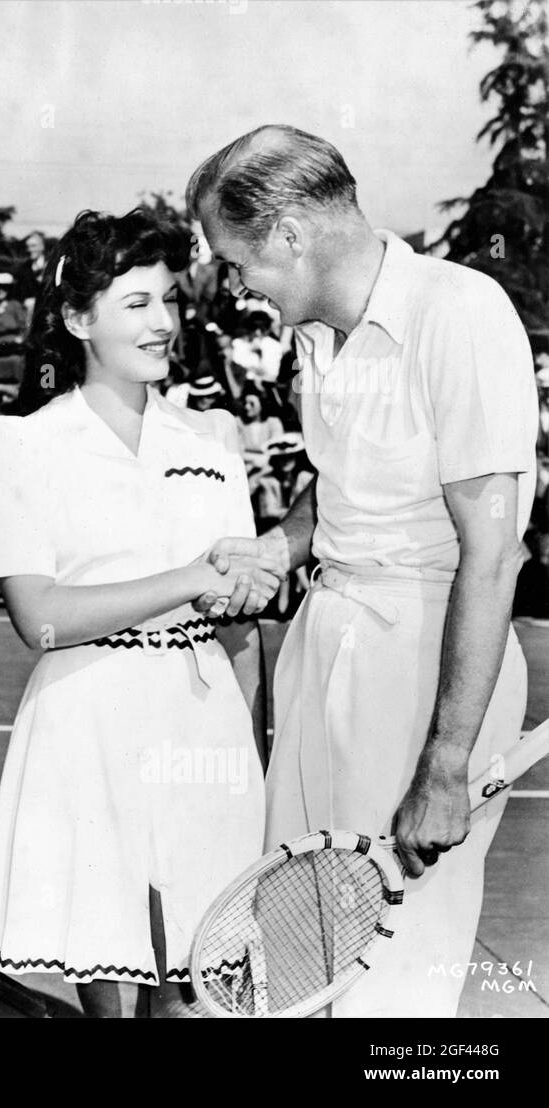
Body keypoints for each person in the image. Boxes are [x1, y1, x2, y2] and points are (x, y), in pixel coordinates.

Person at [187, 124, 538, 1017]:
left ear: (290, 235)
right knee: (299, 952)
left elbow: (492, 551)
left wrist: (448, 761)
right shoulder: (319, 335)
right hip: (325, 638)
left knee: (397, 983)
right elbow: (341, 480)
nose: (239, 289)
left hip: (421, 664)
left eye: (240, 264)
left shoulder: (459, 311)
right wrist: (282, 544)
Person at [0, 209, 277, 1018]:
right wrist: (184, 577)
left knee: (201, 995)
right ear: (78, 319)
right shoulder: (20, 441)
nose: (164, 323)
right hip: (87, 717)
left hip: (205, 723)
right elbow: (37, 617)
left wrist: (254, 750)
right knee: (111, 1000)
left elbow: (240, 622)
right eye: (137, 303)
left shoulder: (214, 434)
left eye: (170, 301)